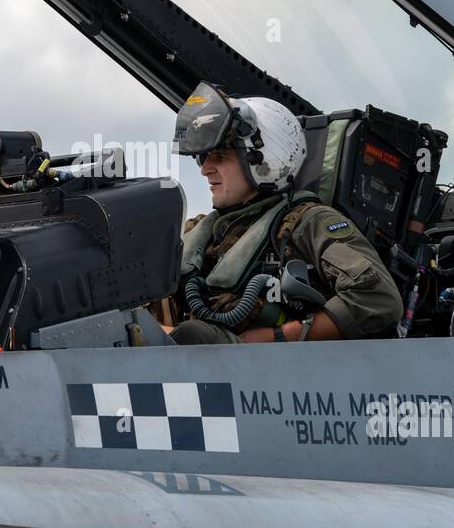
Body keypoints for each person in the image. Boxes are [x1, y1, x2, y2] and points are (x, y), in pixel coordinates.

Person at [166, 82, 403, 344]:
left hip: (281, 376)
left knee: (195, 336)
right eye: (203, 157)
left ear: (265, 159)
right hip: (211, 372)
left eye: (220, 155)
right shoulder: (203, 232)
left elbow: (378, 298)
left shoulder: (309, 224)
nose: (205, 169)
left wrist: (277, 337)